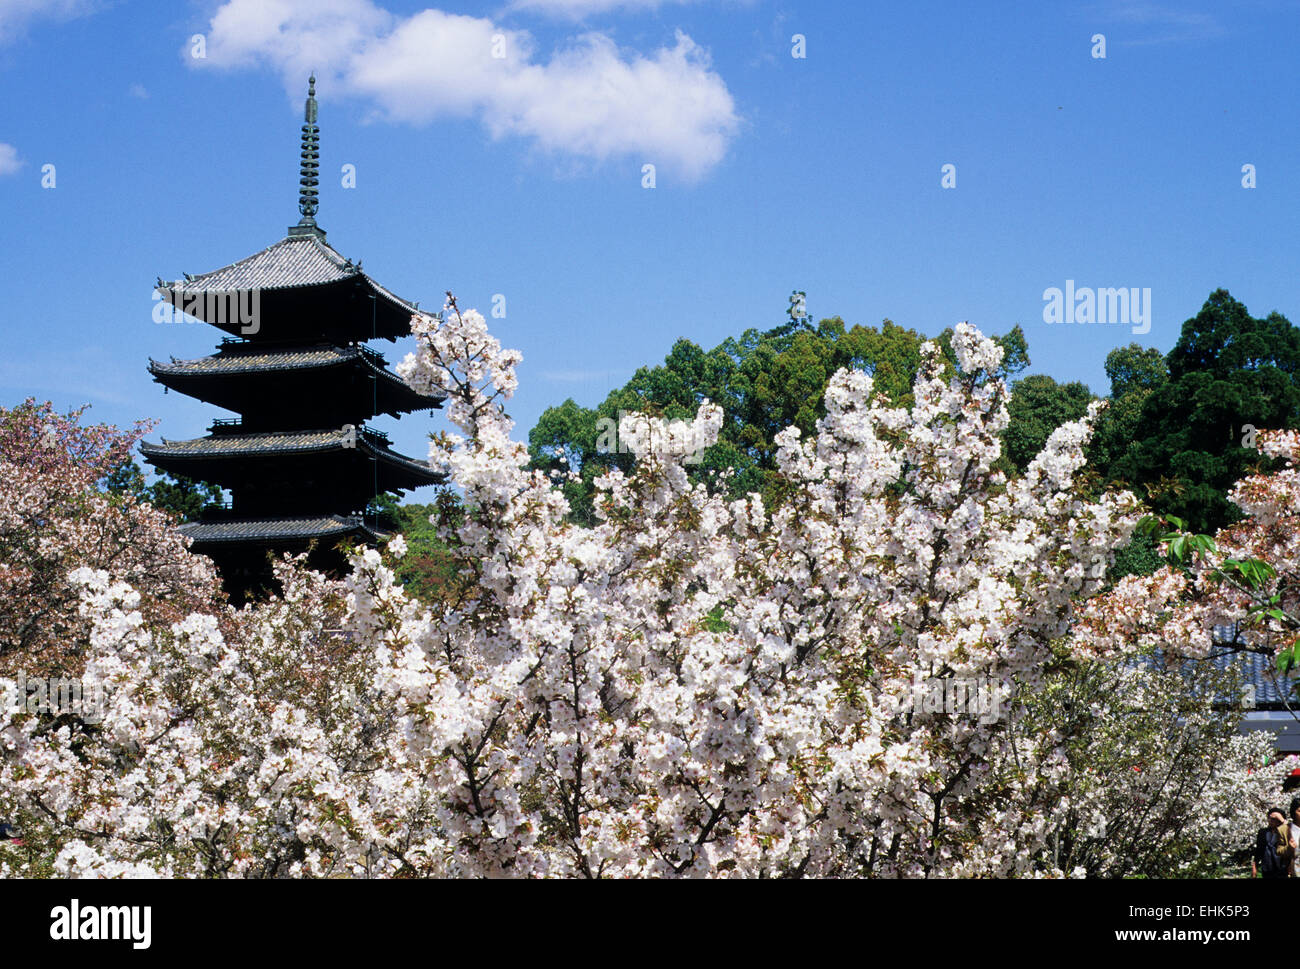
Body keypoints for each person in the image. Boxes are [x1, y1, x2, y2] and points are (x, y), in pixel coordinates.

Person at [1253, 807, 1294, 879]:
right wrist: (1254, 866)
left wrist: (1283, 821)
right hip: (1267, 868)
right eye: (1269, 818)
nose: (1271, 821)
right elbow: (1258, 850)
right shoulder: (1263, 832)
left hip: (1282, 869)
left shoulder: (1284, 832)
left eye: (1274, 819)